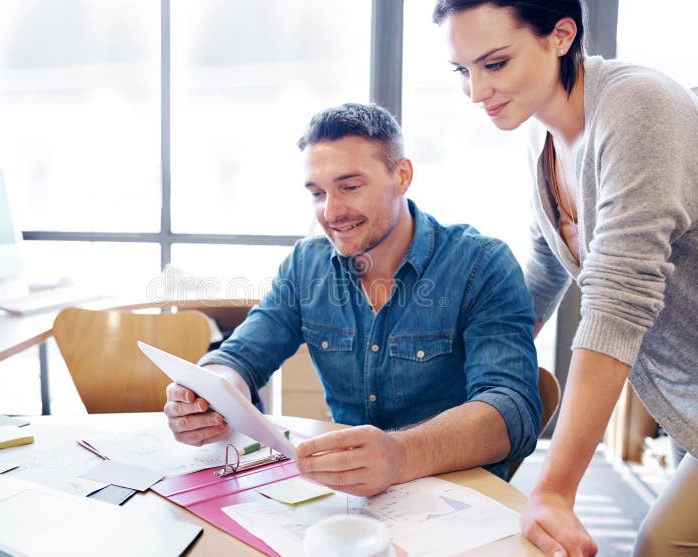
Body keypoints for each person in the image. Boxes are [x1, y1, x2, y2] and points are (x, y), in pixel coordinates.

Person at [164, 102, 541, 497]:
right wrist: (206, 394)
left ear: (402, 175)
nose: (331, 212)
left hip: (456, 498)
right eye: (317, 193)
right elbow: (239, 359)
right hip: (348, 499)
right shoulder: (305, 266)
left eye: (350, 186)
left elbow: (513, 410)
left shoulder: (481, 265)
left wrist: (400, 454)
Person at [433, 1, 698, 555]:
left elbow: (618, 300)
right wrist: (467, 374)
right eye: (463, 70)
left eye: (495, 64)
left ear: (560, 36)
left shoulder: (640, 108)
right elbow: (546, 265)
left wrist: (555, 489)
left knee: (662, 544)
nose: (475, 92)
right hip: (683, 394)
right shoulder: (542, 132)